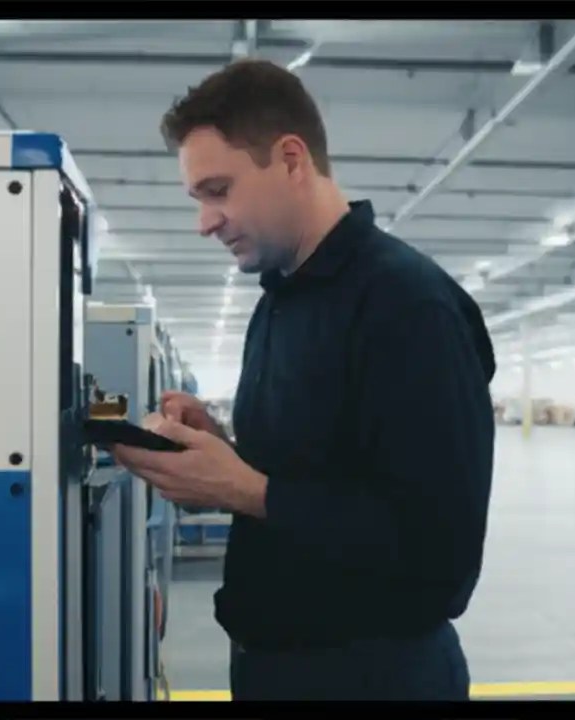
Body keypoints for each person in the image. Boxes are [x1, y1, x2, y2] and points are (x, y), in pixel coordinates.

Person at [108, 58, 496, 702]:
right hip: (277, 667)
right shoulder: (281, 300)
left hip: (371, 678)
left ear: (291, 160)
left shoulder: (408, 306)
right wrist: (223, 461)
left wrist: (251, 490)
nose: (204, 221)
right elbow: (316, 474)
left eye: (218, 190)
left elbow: (440, 555)